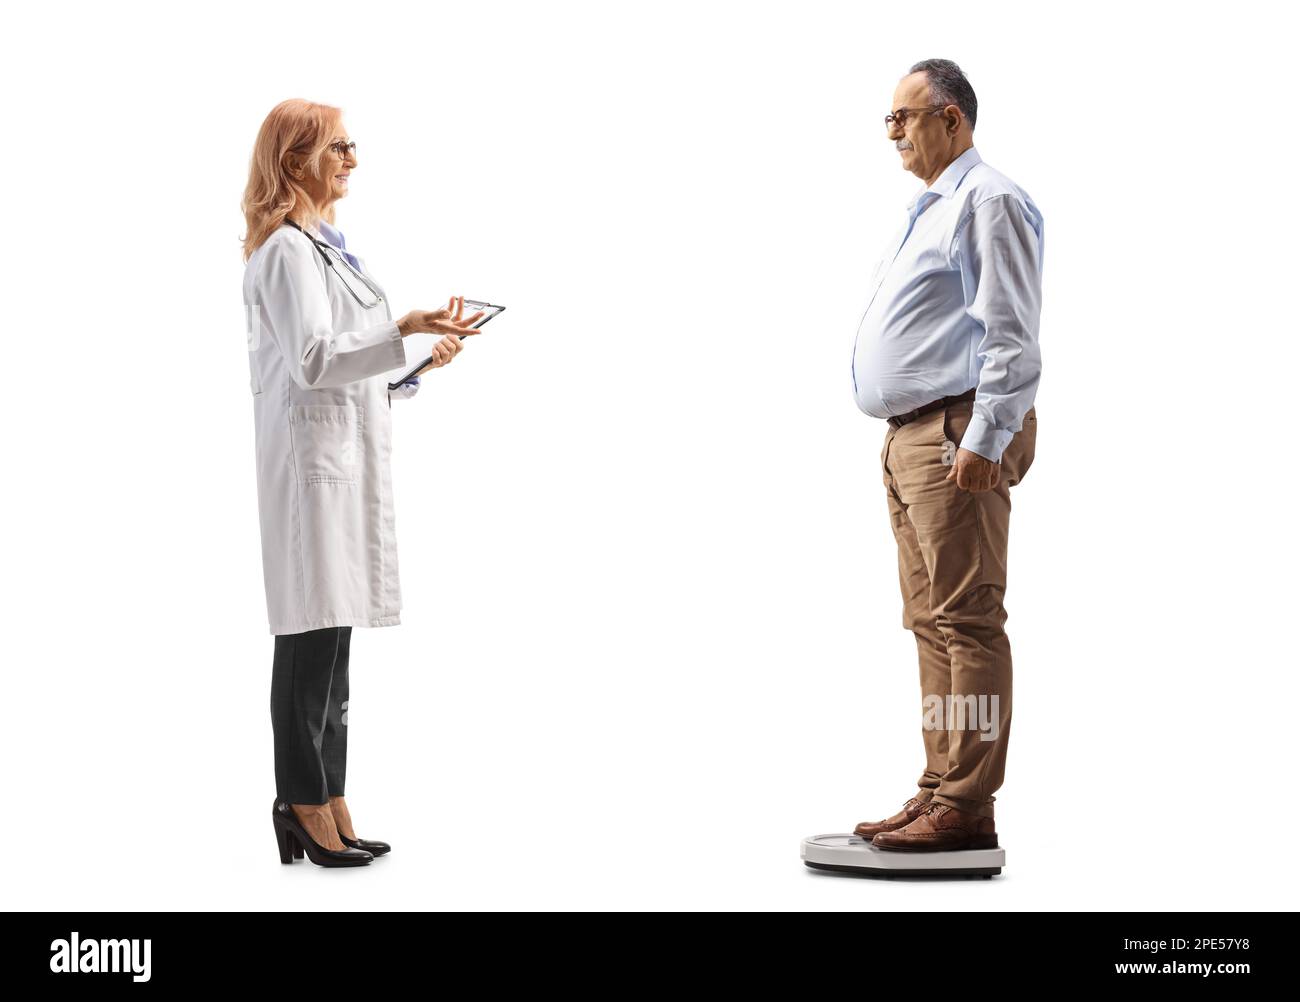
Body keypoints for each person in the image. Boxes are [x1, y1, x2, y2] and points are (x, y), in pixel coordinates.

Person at [240, 98, 485, 867]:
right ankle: (300, 801)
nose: (352, 158)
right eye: (337, 147)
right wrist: (403, 328)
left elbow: (346, 365)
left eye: (353, 145)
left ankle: (330, 795)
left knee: (334, 644)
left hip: (337, 463)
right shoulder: (283, 253)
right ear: (294, 160)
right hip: (311, 475)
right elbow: (313, 362)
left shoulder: (330, 250)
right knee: (309, 640)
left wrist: (411, 364)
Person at [849, 60, 1044, 851]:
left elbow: (1011, 331)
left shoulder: (988, 200)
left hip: (956, 434)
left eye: (905, 116)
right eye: (889, 119)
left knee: (966, 621)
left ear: (952, 119)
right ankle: (938, 787)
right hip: (912, 440)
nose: (893, 130)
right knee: (931, 625)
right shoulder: (930, 208)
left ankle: (967, 804)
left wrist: (985, 439)